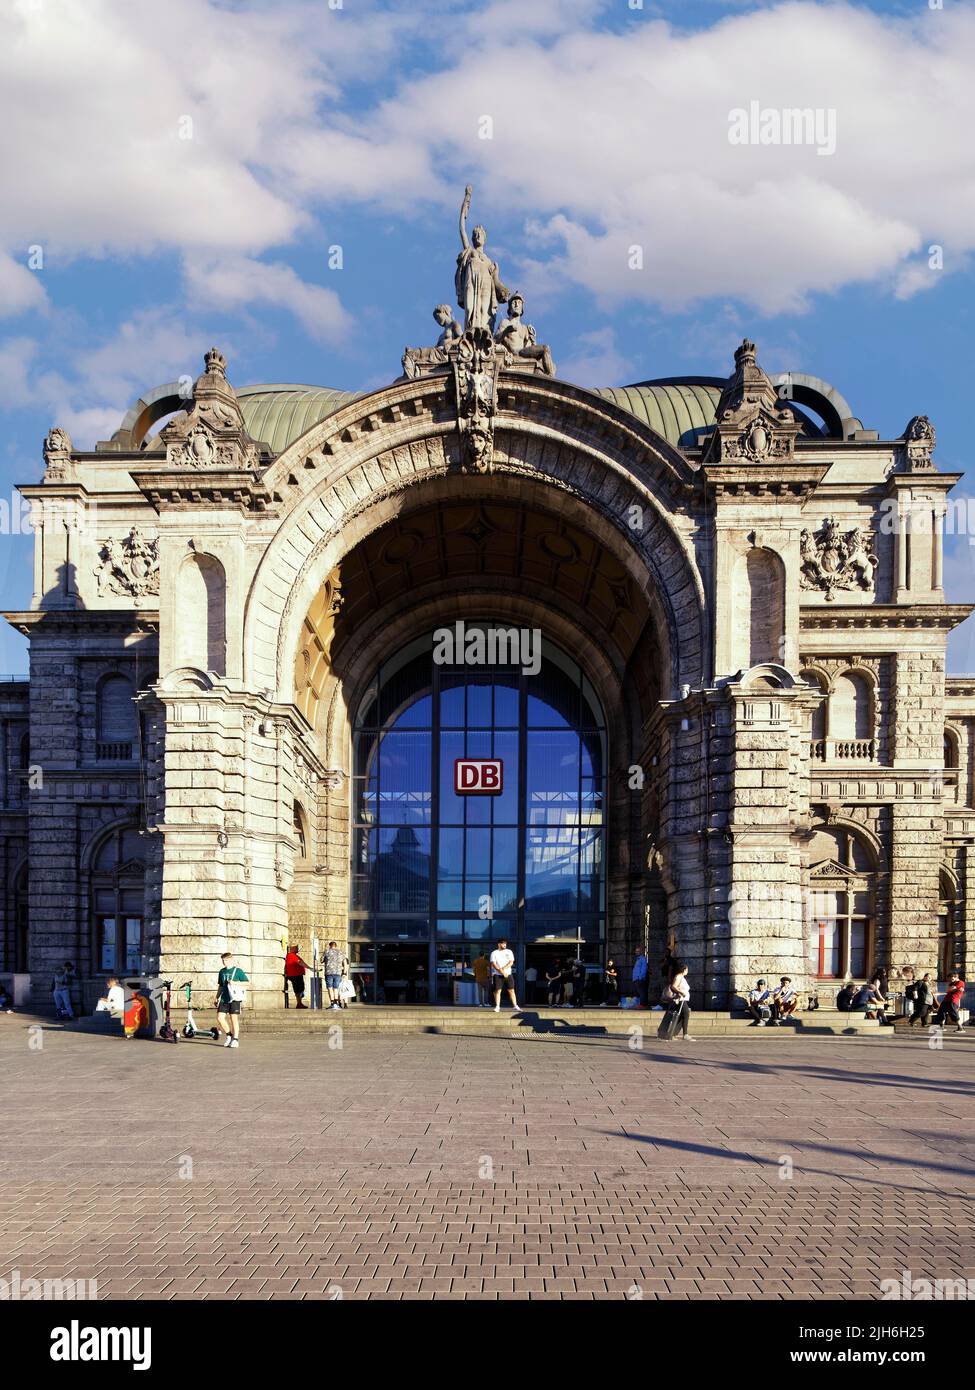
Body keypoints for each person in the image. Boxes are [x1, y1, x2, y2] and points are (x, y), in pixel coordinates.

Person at [214, 951, 248, 1048]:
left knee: (234, 1019)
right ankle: (229, 1035)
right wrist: (216, 997)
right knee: (220, 1018)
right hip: (224, 998)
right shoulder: (222, 972)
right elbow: (221, 986)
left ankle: (235, 1039)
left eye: (227, 960)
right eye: (223, 960)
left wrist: (235, 983)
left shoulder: (238, 971)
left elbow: (247, 983)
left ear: (231, 960)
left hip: (234, 998)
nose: (225, 962)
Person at [658, 961, 693, 1041]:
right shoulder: (678, 977)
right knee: (686, 1014)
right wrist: (681, 992)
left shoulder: (681, 977)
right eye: (686, 969)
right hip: (680, 999)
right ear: (683, 970)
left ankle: (672, 1033)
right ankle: (685, 1034)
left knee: (681, 1016)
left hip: (682, 999)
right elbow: (673, 986)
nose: (687, 971)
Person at [489, 938, 520, 1013]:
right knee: (498, 990)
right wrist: (502, 972)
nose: (504, 945)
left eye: (505, 943)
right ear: (499, 944)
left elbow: (511, 962)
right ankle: (497, 1007)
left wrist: (503, 969)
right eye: (503, 943)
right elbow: (493, 964)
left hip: (508, 974)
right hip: (498, 975)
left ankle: (515, 1006)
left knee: (511, 990)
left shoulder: (509, 951)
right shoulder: (494, 953)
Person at [284, 942, 311, 1009]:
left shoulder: (294, 955)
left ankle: (299, 1003)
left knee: (300, 988)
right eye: (296, 947)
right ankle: (299, 1003)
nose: (297, 949)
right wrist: (309, 968)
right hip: (294, 975)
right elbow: (300, 962)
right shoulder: (291, 955)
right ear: (292, 948)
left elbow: (301, 962)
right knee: (298, 989)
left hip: (297, 974)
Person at [324, 941, 347, 1011]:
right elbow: (345, 963)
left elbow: (321, 960)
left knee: (330, 988)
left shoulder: (327, 951)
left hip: (329, 973)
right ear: (335, 946)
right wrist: (344, 973)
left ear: (330, 946)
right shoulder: (340, 952)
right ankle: (336, 1003)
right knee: (336, 988)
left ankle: (332, 1003)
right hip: (338, 973)